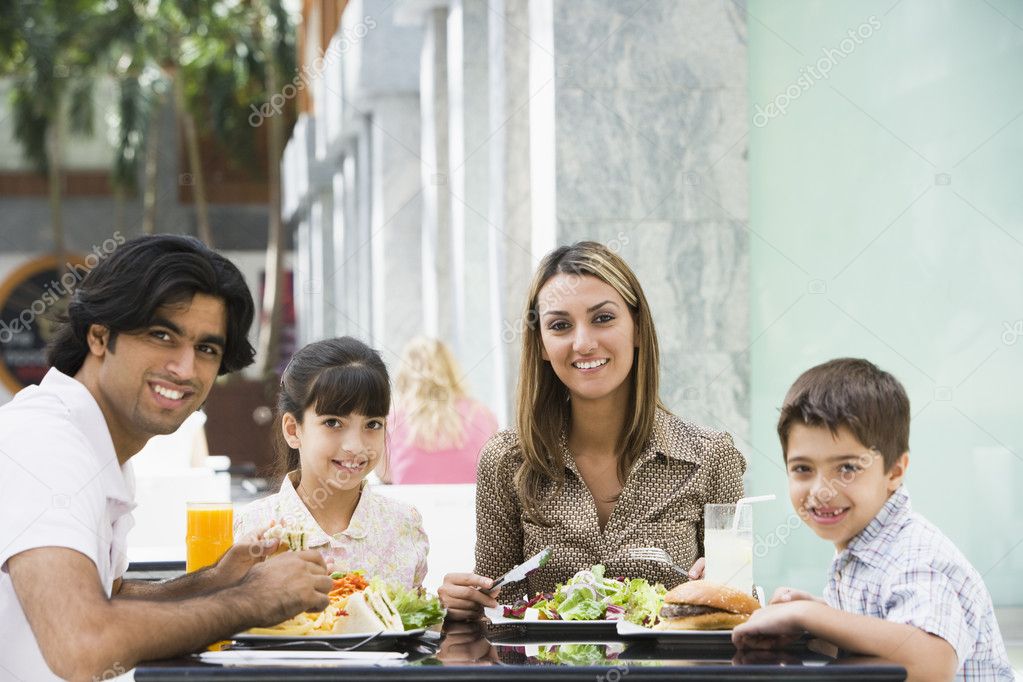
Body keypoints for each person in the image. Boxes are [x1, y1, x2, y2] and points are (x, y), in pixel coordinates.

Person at [0, 235, 333, 681]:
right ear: (99, 336)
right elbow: (84, 644)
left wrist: (217, 579)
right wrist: (253, 599)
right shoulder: (46, 442)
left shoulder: (98, 444)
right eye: (161, 335)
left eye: (206, 349)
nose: (185, 368)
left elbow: (109, 599)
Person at [439, 241, 747, 620]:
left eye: (603, 319)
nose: (583, 343)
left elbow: (735, 610)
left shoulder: (711, 456)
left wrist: (725, 585)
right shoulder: (506, 460)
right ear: (541, 345)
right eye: (560, 325)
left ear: (636, 328)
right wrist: (464, 605)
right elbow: (497, 609)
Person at [731, 358, 1013, 681]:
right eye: (802, 469)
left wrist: (807, 614)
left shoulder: (914, 557)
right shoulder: (863, 547)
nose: (822, 491)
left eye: (847, 468)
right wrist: (818, 620)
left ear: (894, 471)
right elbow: (880, 636)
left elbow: (933, 663)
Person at [234, 336, 429, 588]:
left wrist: (451, 613)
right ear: (293, 430)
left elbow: (416, 619)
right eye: (333, 423)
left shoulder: (404, 523)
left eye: (372, 424)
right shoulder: (254, 527)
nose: (355, 446)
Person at [380, 335, 498, 484]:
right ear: (450, 368)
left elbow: (385, 474)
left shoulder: (391, 417)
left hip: (410, 504)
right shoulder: (482, 413)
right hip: (469, 505)